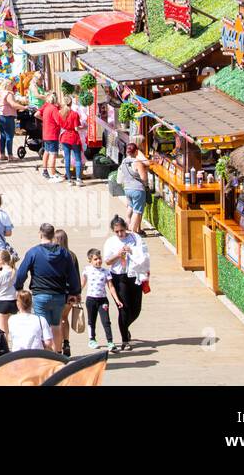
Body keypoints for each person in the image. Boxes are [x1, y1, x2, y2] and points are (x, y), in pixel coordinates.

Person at [13, 222, 81, 353]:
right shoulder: (64, 253)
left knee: (42, 326)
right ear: (53, 235)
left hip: (40, 295)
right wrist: (74, 291)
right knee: (56, 324)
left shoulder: (33, 252)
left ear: (40, 234)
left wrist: (18, 287)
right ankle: (57, 354)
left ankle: (46, 355)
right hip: (59, 295)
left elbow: (21, 273)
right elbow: (72, 274)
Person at [103, 215, 149, 350]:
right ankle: (124, 340)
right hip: (119, 277)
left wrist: (132, 250)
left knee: (136, 309)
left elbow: (144, 254)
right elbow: (107, 261)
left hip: (134, 275)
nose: (120, 234)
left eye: (122, 231)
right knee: (123, 308)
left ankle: (125, 326)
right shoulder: (110, 242)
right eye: (116, 232)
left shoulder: (135, 238)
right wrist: (118, 255)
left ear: (126, 228)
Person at [83, 248, 118, 351]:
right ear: (90, 260)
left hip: (102, 300)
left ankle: (110, 342)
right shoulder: (87, 270)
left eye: (99, 258)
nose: (98, 261)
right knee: (91, 320)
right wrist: (76, 294)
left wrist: (117, 299)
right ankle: (92, 339)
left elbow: (111, 287)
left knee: (106, 321)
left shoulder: (106, 272)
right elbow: (82, 284)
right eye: (95, 259)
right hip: (91, 299)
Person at [117, 143, 151, 233]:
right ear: (136, 151)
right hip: (137, 189)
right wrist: (145, 170)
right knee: (137, 211)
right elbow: (143, 178)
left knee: (130, 207)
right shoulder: (137, 162)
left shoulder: (124, 161)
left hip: (127, 189)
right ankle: (133, 232)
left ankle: (128, 225)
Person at [58, 98, 84, 186]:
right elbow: (76, 128)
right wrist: (84, 127)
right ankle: (78, 179)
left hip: (64, 136)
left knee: (67, 158)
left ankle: (69, 179)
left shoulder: (60, 113)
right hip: (73, 137)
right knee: (77, 159)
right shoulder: (74, 114)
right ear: (71, 103)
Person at [39, 91, 62, 180]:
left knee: (46, 152)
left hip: (46, 133)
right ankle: (53, 174)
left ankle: (45, 170)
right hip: (53, 134)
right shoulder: (54, 109)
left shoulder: (46, 107)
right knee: (53, 154)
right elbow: (58, 121)